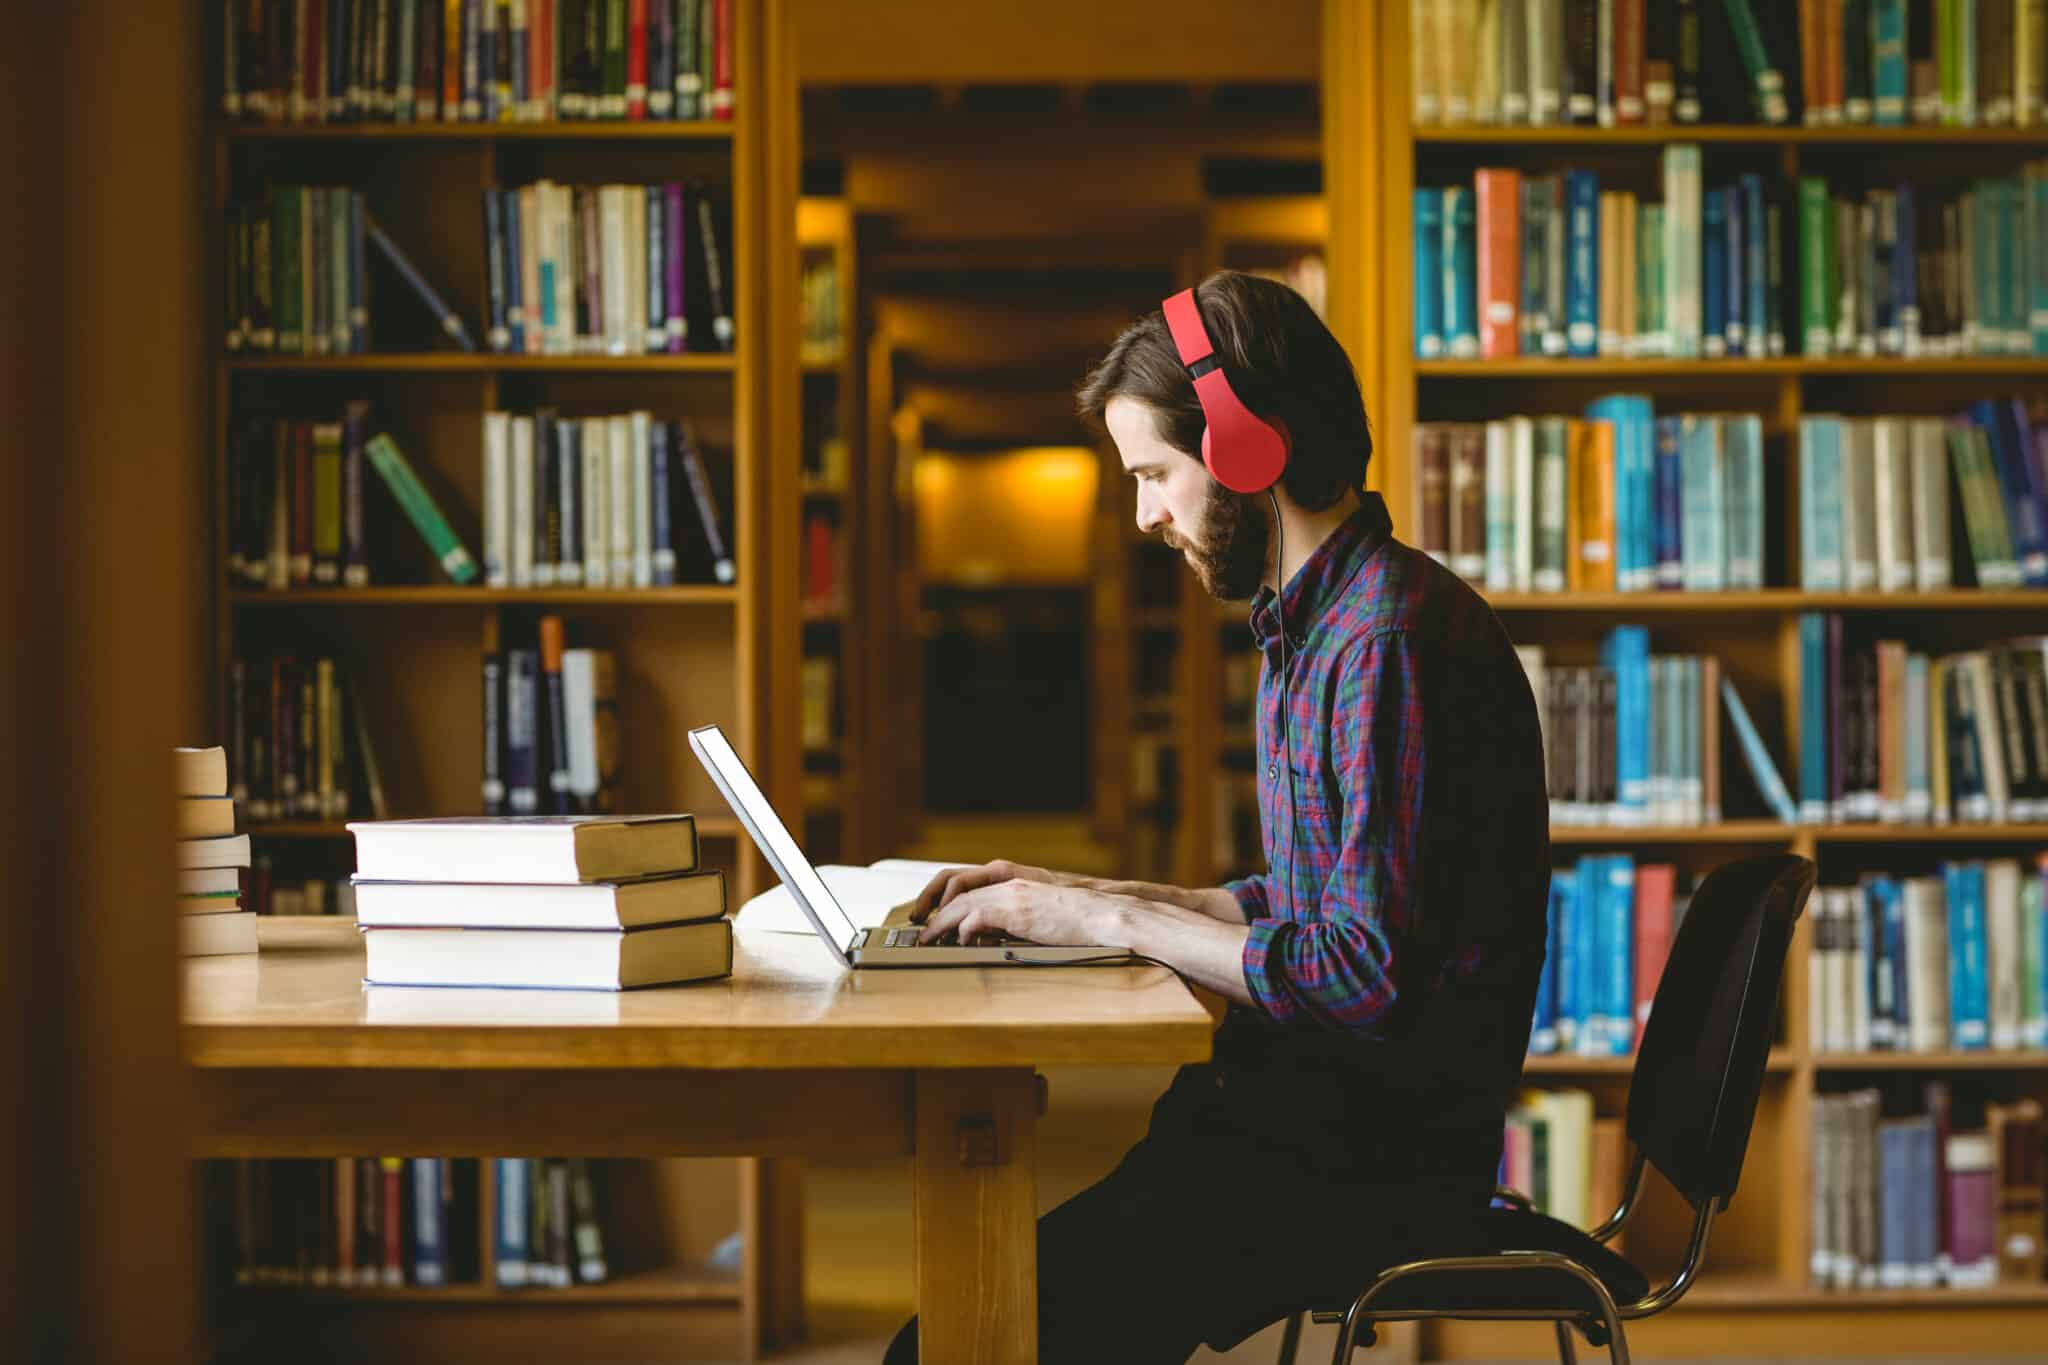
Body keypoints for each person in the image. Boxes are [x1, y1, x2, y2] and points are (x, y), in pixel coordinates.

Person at [882, 271, 1550, 1364]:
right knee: (972, 1326)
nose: (1146, 513)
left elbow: (1361, 974)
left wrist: (1111, 925)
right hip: (1294, 1121)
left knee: (955, 1345)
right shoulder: (1316, 624)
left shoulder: (1383, 640)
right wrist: (1071, 895)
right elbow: (1300, 907)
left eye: (1154, 473)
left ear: (1243, 451)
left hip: (1357, 1160)